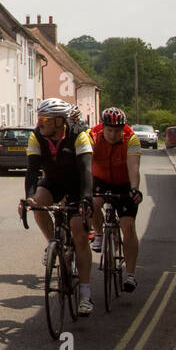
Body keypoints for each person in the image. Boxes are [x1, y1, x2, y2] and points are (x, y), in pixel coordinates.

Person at [22, 97, 97, 314]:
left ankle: (85, 294)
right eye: (38, 117)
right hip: (53, 181)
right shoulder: (36, 136)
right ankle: (53, 243)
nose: (39, 122)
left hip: (77, 185)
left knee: (80, 235)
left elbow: (86, 171)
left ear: (59, 122)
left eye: (44, 118)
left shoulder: (78, 135)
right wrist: (28, 197)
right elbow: (32, 171)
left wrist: (86, 199)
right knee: (38, 204)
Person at [88, 107, 144, 293]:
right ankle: (99, 234)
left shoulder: (131, 139)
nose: (113, 134)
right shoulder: (92, 136)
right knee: (93, 204)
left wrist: (134, 189)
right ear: (102, 127)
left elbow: (134, 167)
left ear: (123, 129)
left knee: (128, 226)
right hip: (100, 179)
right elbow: (85, 164)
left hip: (124, 182)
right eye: (109, 130)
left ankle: (131, 275)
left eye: (117, 131)